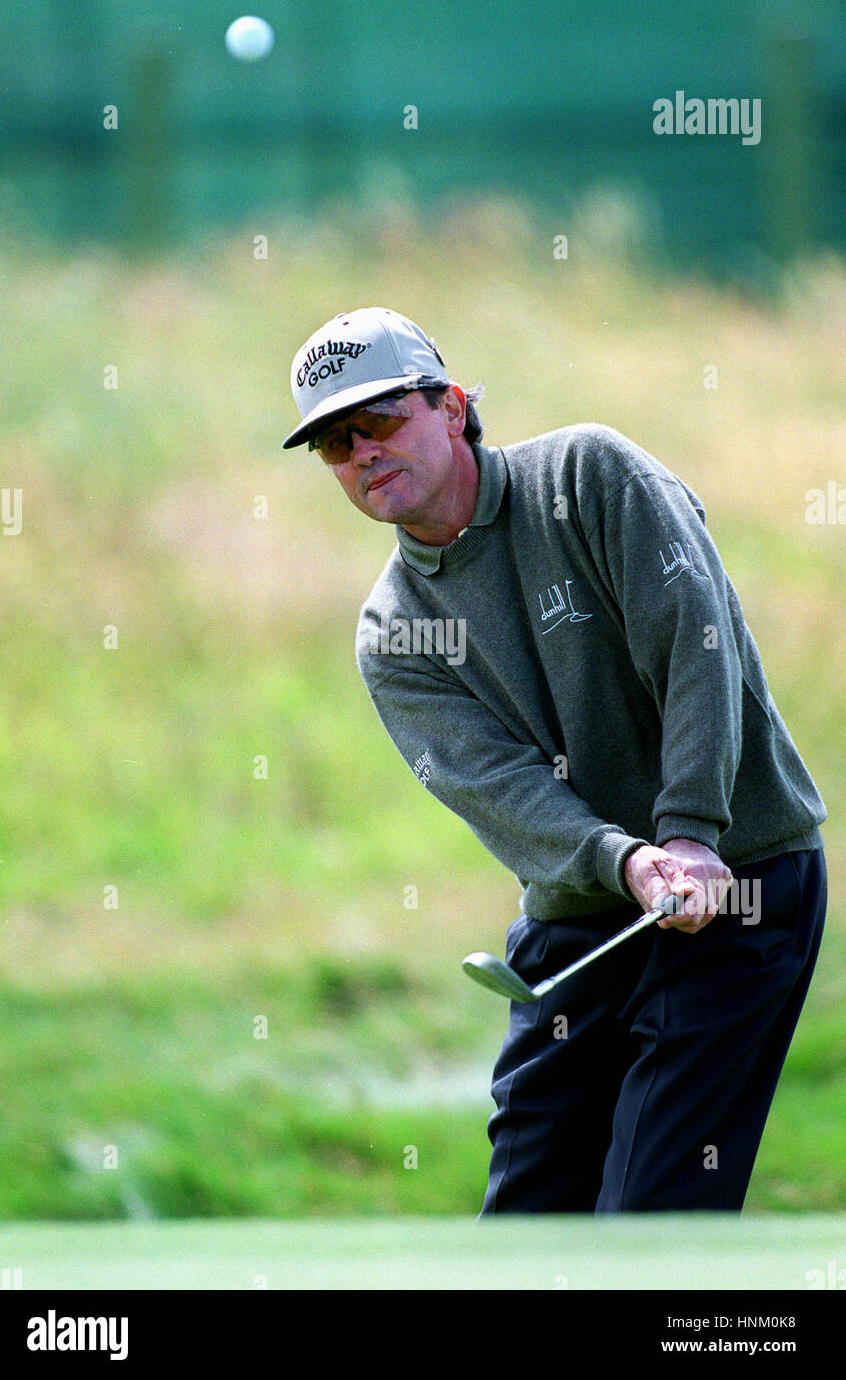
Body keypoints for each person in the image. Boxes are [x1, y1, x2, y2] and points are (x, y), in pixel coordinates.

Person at [281, 306, 827, 1213]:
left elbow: (695, 648)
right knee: (528, 1226)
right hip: (584, 916)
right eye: (334, 443)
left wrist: (688, 832)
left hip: (737, 881)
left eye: (377, 421)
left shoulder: (588, 474)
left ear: (451, 407)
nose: (360, 453)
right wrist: (627, 861)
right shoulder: (391, 633)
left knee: (651, 1216)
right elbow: (503, 793)